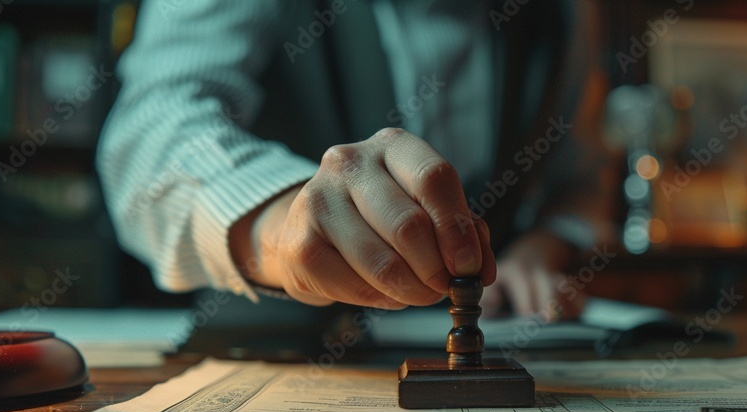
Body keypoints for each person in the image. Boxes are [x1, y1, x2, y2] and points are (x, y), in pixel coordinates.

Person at [98, 0, 614, 322]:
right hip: (287, 352)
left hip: (507, 336)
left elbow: (583, 180)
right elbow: (146, 139)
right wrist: (288, 223)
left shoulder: (568, 11)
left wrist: (542, 246)